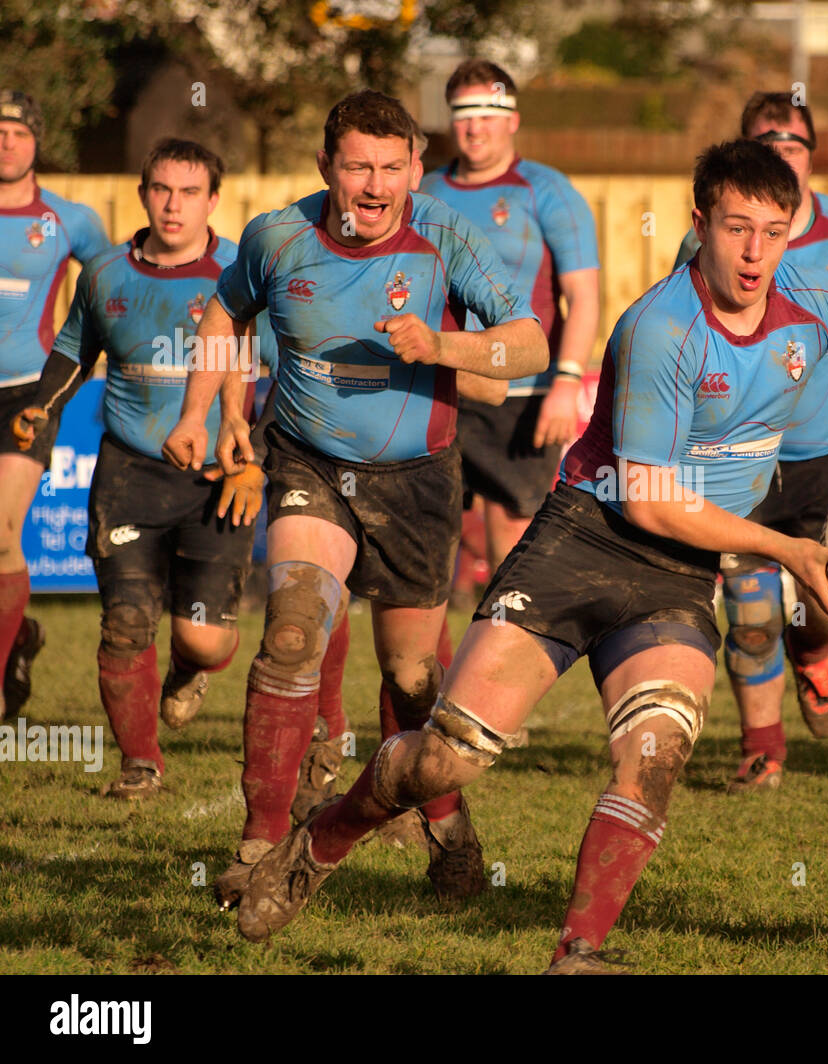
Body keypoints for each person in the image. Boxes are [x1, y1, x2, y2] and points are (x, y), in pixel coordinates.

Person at [231, 138, 828, 971]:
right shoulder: (660, 327)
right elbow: (649, 500)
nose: (755, 253)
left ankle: (577, 951)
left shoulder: (818, 301)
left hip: (678, 575)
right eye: (736, 229)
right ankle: (322, 840)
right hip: (583, 543)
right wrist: (783, 549)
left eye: (772, 231)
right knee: (446, 758)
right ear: (700, 224)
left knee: (656, 756)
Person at [161, 90, 547, 910]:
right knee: (293, 630)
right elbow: (224, 313)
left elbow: (529, 344)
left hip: (417, 481)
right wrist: (200, 414)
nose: (375, 186)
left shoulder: (445, 235)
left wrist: (444, 345)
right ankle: (260, 845)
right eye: (358, 167)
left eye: (391, 167)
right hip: (308, 461)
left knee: (412, 677)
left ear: (414, 168)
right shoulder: (276, 236)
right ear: (325, 167)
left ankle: (448, 825)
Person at [11, 138, 276, 797]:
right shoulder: (105, 274)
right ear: (142, 195)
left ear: (213, 200)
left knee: (206, 640)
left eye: (189, 192)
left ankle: (190, 668)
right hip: (129, 473)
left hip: (218, 481)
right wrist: (42, 407)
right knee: (126, 623)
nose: (172, 205)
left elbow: (280, 374)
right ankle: (140, 764)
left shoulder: (241, 276)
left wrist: (255, 458)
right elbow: (73, 352)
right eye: (161, 189)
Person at [673, 91, 828, 792]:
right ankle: (763, 752)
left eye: (794, 142)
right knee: (750, 615)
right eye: (765, 141)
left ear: (812, 154)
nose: (781, 151)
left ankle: (811, 651)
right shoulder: (705, 241)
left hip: (824, 458)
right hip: (737, 460)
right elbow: (678, 332)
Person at [420, 59, 600, 572]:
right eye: (463, 114)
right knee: (427, 532)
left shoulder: (548, 190)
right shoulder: (426, 192)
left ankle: (499, 625)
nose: (474, 127)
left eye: (487, 114)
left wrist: (566, 382)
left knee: (513, 533)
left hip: (523, 390)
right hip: (440, 382)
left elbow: (584, 296)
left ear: (513, 120)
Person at [0, 89, 111, 721]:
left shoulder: (72, 221)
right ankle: (20, 634)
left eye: (18, 132)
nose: (7, 142)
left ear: (37, 141)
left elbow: (114, 288)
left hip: (29, 391)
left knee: (2, 532)